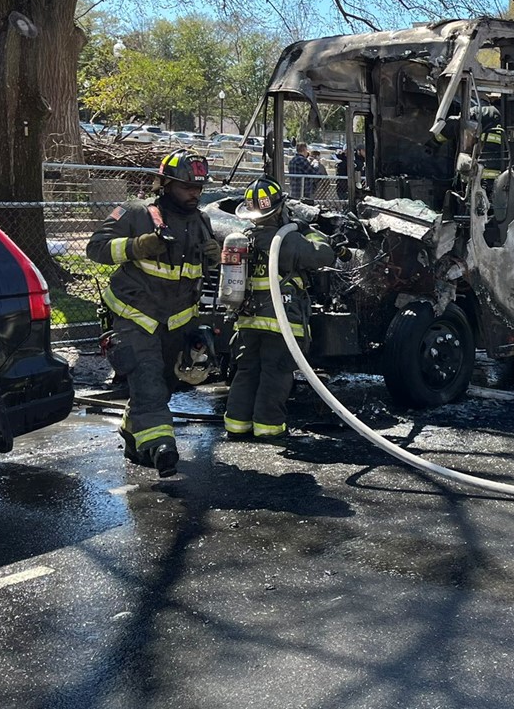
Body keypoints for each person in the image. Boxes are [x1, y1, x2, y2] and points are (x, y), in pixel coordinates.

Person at [85, 149, 220, 478]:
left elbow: (195, 276)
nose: (194, 194)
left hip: (177, 323)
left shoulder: (201, 222)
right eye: (187, 187)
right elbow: (96, 248)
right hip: (134, 317)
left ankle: (135, 435)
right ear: (165, 184)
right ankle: (163, 449)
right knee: (148, 384)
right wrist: (139, 245)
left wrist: (213, 257)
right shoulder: (136, 212)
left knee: (163, 384)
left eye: (199, 188)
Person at [223, 176, 339, 443]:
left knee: (247, 371)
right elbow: (323, 255)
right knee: (275, 374)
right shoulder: (287, 240)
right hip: (281, 322)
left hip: (247, 321)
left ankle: (237, 425)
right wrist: (306, 229)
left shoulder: (244, 239)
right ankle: (269, 427)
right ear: (279, 209)